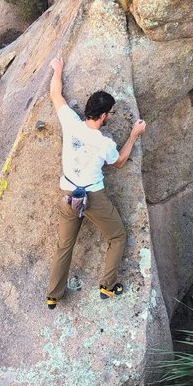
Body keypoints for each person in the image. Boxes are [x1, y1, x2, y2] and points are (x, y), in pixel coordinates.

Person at [45, 57, 146, 309]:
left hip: (68, 194)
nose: (110, 116)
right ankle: (107, 286)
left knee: (64, 246)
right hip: (93, 199)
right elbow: (119, 162)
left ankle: (53, 295)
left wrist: (58, 69)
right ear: (103, 116)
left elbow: (55, 94)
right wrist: (133, 135)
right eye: (110, 113)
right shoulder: (104, 143)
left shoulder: (70, 122)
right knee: (118, 236)